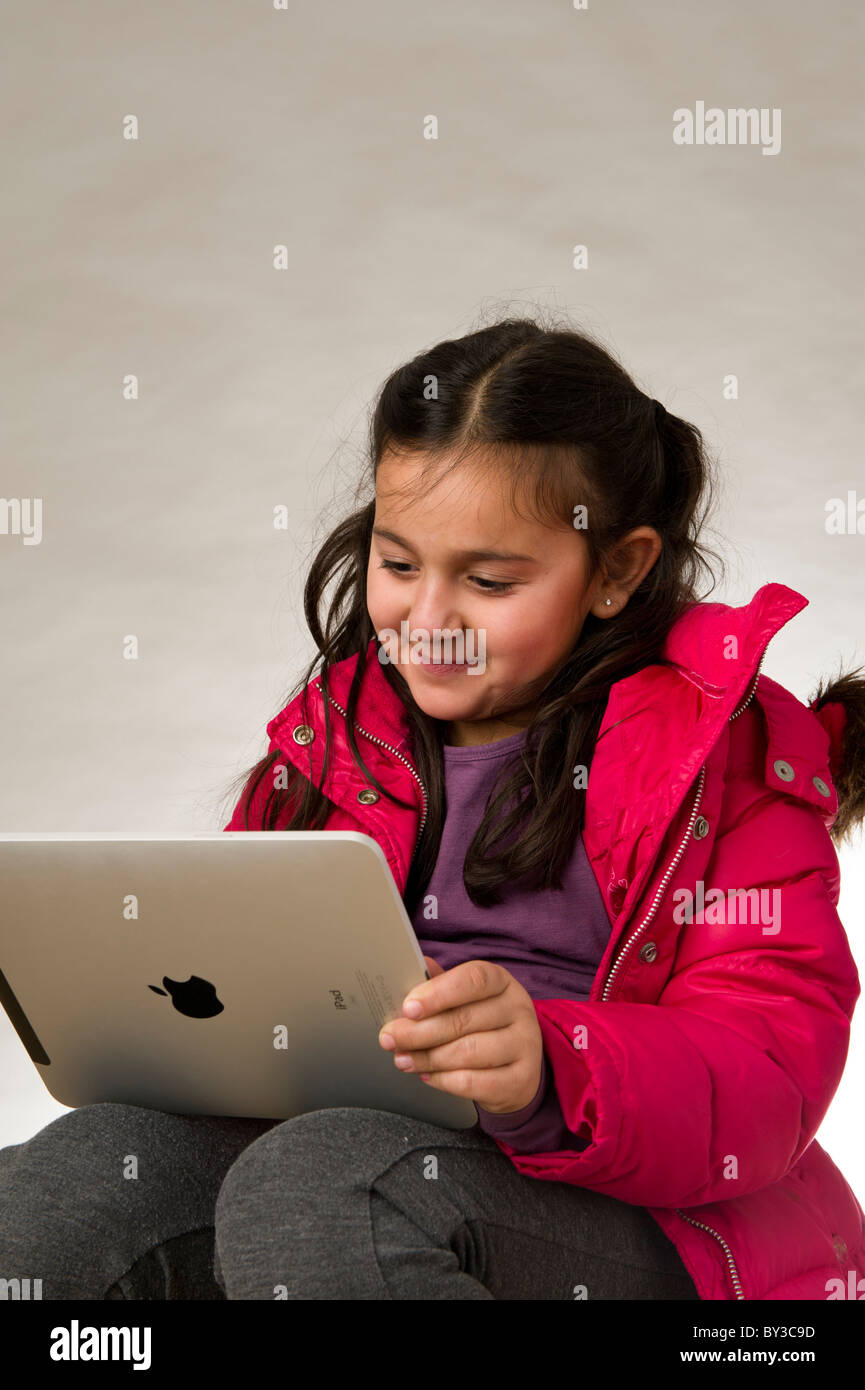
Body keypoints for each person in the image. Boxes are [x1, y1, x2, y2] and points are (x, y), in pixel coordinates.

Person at [1, 315, 863, 1300]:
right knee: (80, 1168)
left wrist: (554, 1063)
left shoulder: (725, 763)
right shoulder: (336, 743)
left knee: (328, 1184)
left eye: (489, 580)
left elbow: (767, 1074)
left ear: (616, 570)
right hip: (354, 1150)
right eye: (400, 565)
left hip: (632, 1220)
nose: (428, 621)